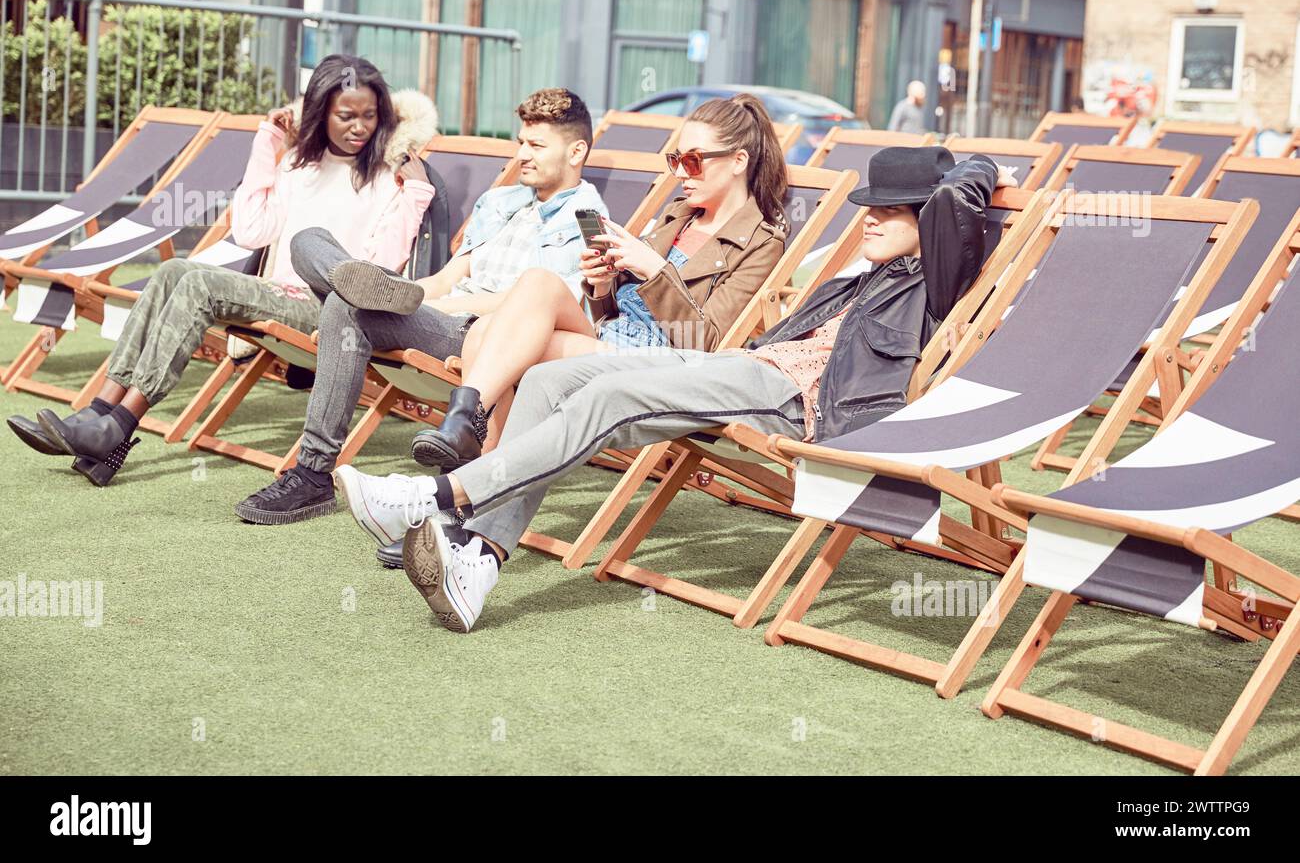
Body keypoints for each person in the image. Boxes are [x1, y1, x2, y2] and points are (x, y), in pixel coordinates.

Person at [337, 146, 1019, 632]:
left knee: (608, 401)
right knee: (548, 379)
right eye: (868, 207)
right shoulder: (868, 274)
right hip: (740, 369)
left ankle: (433, 497)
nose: (869, 218)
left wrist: (983, 172)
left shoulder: (933, 274)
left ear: (928, 217)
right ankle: (478, 565)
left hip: (791, 400)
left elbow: (960, 200)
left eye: (892, 210)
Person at [7, 54, 436, 486]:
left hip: (327, 306)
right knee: (174, 270)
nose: (358, 127)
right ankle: (98, 414)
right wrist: (267, 143)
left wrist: (416, 193)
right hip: (278, 292)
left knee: (199, 284)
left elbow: (383, 267)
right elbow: (251, 231)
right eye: (346, 116)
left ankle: (117, 425)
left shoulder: (389, 175)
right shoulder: (297, 166)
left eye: (368, 116)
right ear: (321, 113)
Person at [233, 88, 606, 542]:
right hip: (438, 309)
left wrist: (421, 304)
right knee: (310, 243)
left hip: (483, 334)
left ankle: (313, 473)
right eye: (521, 142)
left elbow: (537, 305)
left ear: (576, 150)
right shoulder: (500, 203)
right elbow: (449, 277)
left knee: (344, 304)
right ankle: (314, 473)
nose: (522, 155)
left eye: (535, 145)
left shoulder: (587, 219)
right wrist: (410, 294)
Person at [405, 93, 787, 473]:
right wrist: (602, 285)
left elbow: (704, 341)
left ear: (738, 161)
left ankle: (465, 465)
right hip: (610, 338)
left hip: (665, 362)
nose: (682, 174)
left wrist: (655, 271)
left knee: (490, 332)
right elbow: (614, 312)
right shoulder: (678, 216)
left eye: (693, 161)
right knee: (523, 295)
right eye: (675, 160)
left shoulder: (760, 242)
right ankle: (468, 444)